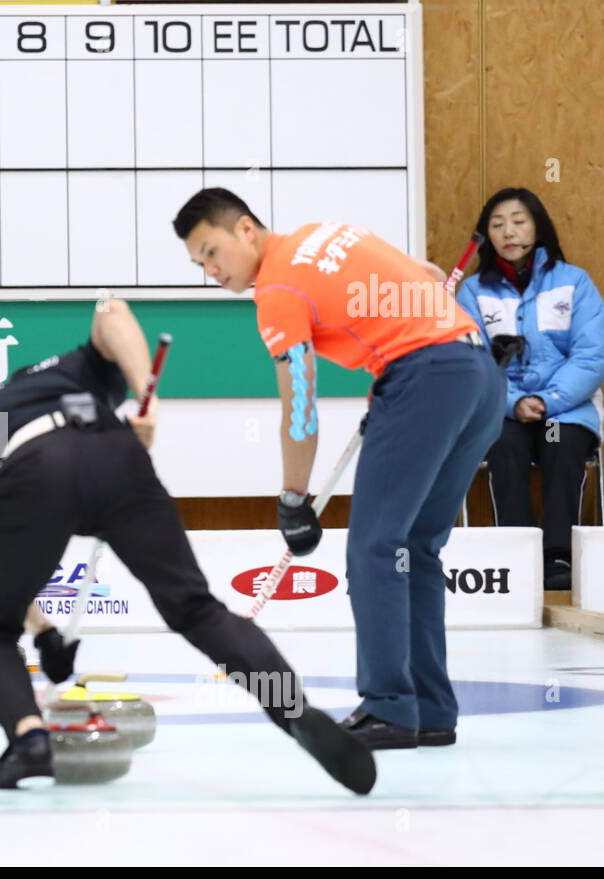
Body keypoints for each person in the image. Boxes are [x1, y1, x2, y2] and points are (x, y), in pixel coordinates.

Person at [0, 298, 376, 794]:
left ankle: (28, 740)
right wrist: (146, 399)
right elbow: (111, 310)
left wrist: (43, 632)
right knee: (196, 610)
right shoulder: (73, 369)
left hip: (33, 469)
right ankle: (292, 707)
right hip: (117, 457)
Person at [174, 187, 505, 750]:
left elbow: (300, 406)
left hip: (425, 379)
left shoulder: (276, 291)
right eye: (198, 263)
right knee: (415, 548)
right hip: (478, 373)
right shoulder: (322, 234)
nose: (210, 270)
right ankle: (428, 711)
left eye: (211, 251)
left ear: (246, 230)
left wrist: (293, 498)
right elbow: (422, 272)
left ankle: (390, 709)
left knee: (376, 547)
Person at [456, 187, 604, 590]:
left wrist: (548, 399)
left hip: (566, 407)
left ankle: (558, 556)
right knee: (503, 445)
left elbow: (592, 356)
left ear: (538, 227)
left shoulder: (574, 282)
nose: (509, 232)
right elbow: (473, 363)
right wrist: (514, 402)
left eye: (519, 221)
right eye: (498, 224)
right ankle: (515, 556)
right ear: (487, 235)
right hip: (503, 408)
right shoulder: (472, 292)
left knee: (562, 443)